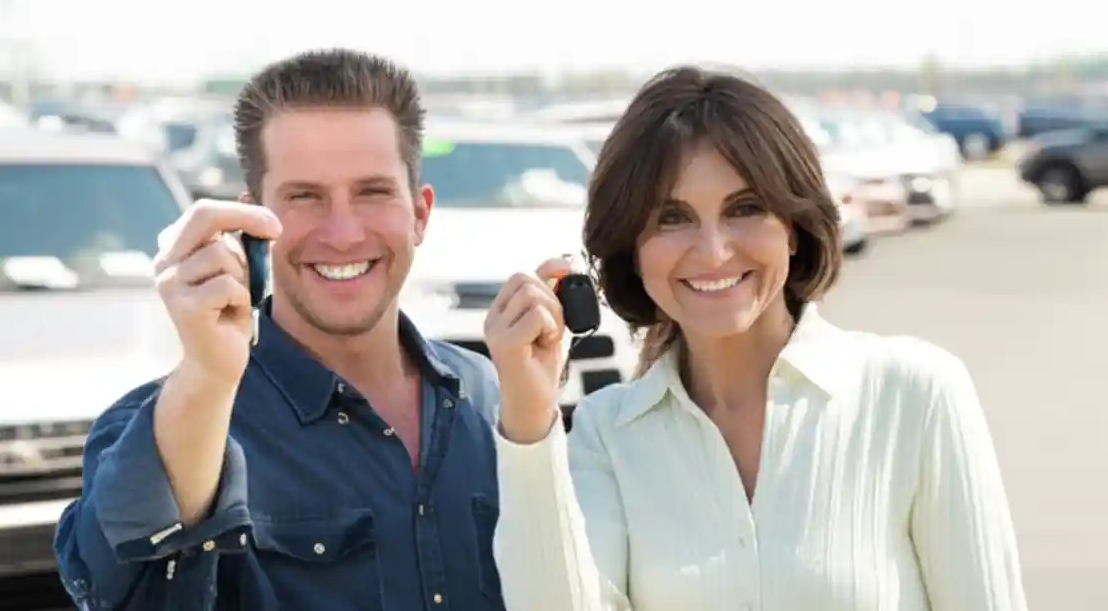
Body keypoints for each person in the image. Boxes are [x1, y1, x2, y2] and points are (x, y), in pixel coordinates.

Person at [484, 66, 1029, 610]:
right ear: (633, 249)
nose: (715, 251)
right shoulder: (607, 434)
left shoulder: (916, 395)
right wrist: (529, 425)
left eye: (745, 209)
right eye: (673, 218)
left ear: (793, 227)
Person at [54, 49, 507, 610]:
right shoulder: (176, 421)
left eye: (372, 192)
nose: (342, 234)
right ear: (250, 221)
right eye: (304, 197)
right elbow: (122, 589)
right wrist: (207, 374)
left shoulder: (486, 394)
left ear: (420, 213)